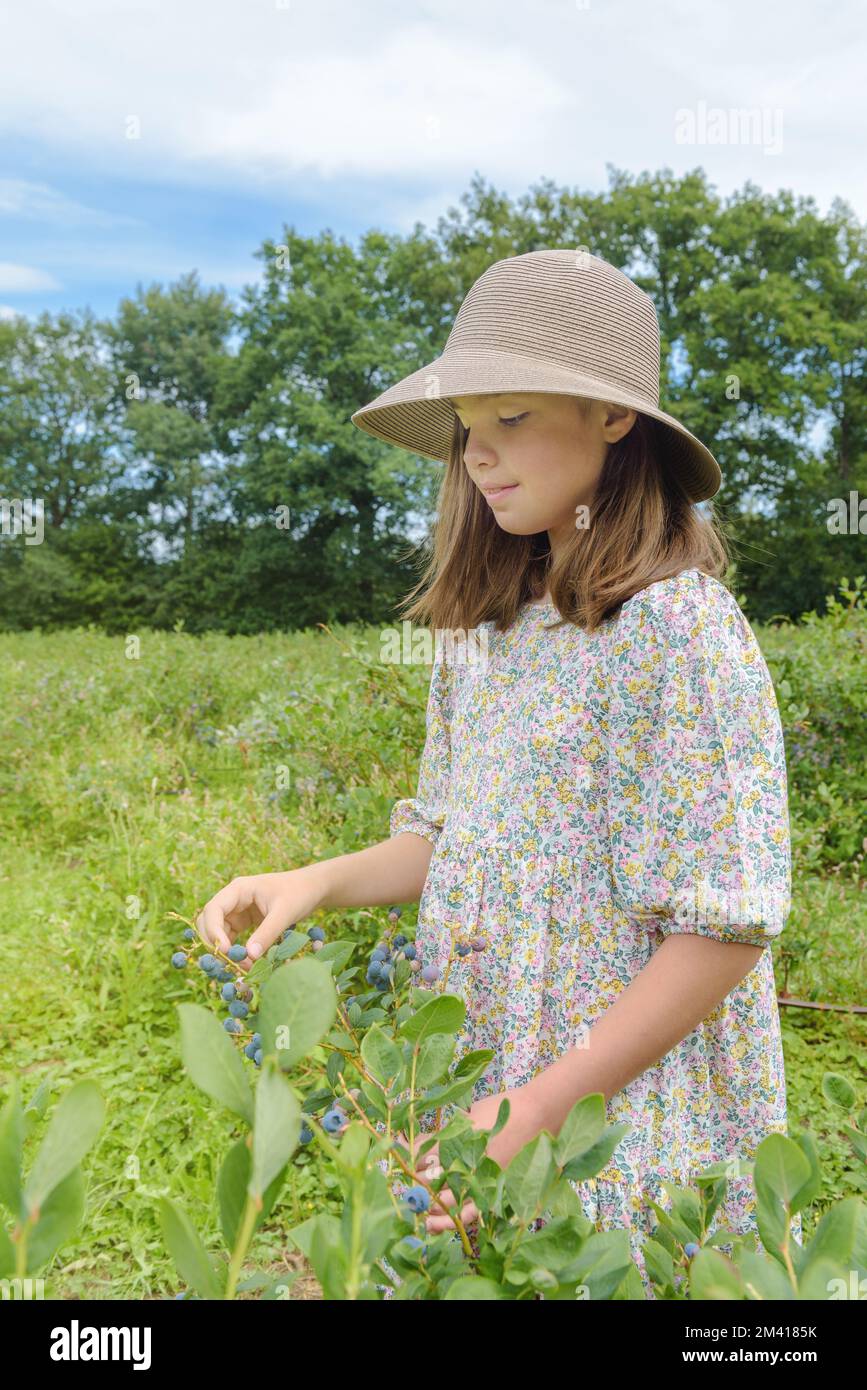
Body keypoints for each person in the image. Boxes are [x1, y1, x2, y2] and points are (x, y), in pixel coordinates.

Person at [196, 249, 801, 1299]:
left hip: (609, 1094)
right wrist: (315, 882)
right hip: (492, 1066)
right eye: (470, 424)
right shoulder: (485, 628)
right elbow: (449, 832)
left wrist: (538, 1109)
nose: (478, 452)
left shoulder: (678, 629)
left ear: (613, 418)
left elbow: (725, 927)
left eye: (512, 417)